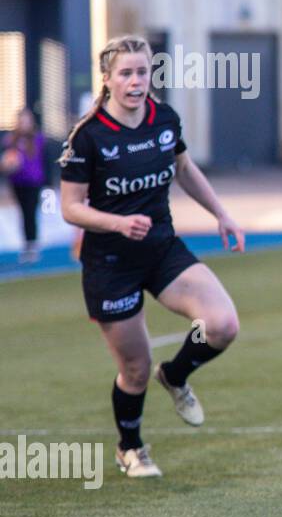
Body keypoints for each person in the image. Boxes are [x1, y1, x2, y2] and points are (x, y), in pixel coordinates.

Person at [58, 35, 245, 477]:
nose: (136, 81)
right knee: (135, 369)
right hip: (110, 266)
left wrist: (222, 214)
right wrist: (118, 223)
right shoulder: (88, 138)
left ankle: (176, 375)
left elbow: (183, 168)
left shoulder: (165, 119)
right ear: (107, 80)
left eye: (142, 72)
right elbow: (70, 208)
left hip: (161, 250)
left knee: (222, 325)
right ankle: (131, 448)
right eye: (125, 73)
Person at [2, 108, 45, 263]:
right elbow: (6, 160)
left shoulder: (38, 139)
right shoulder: (10, 140)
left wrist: (48, 183)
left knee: (31, 213)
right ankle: (26, 245)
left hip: (34, 182)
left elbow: (45, 160)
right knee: (22, 214)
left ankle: (33, 245)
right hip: (17, 182)